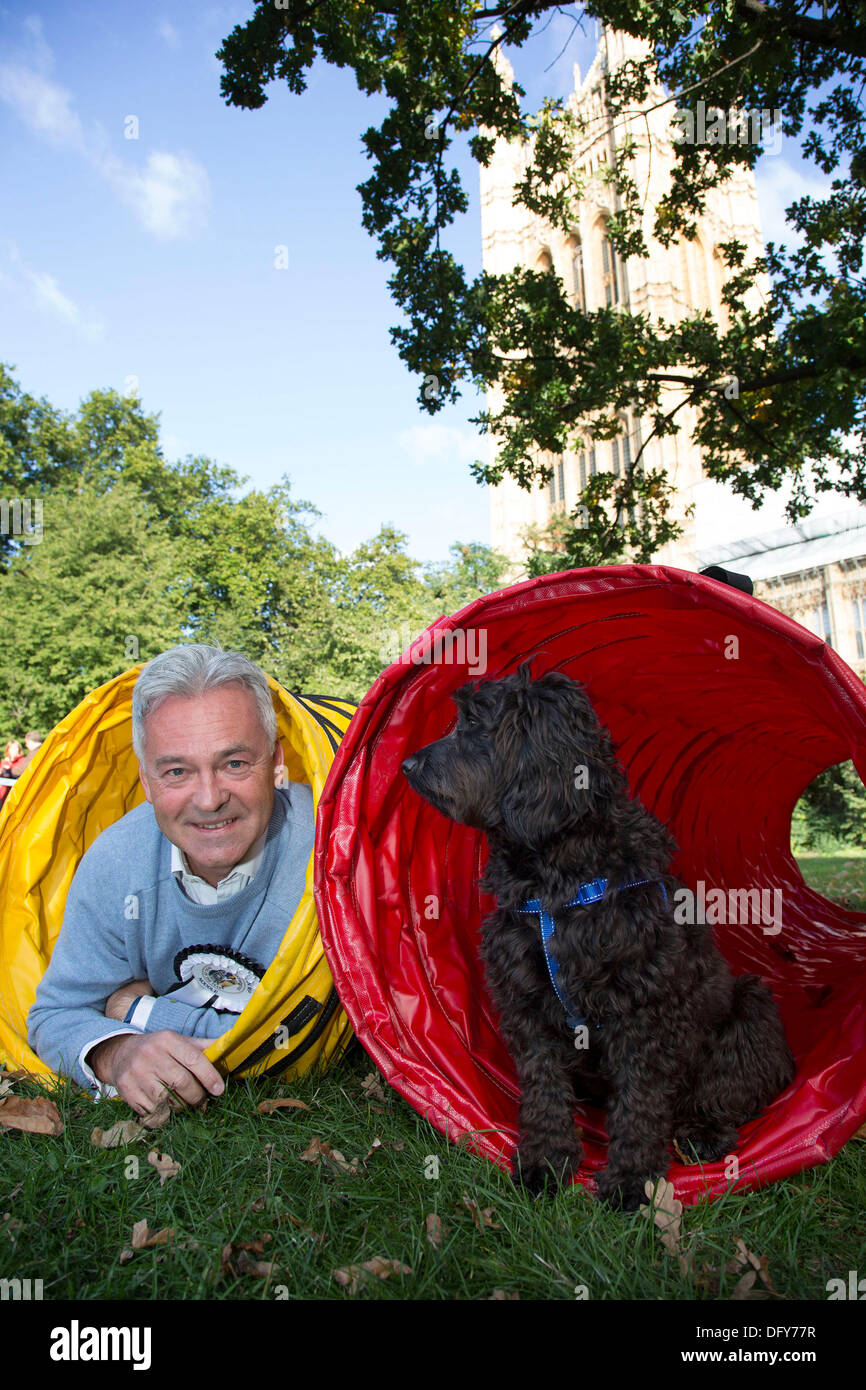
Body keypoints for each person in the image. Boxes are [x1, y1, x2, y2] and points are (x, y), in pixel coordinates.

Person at [27, 645, 314, 1116]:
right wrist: (117, 1052)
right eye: (177, 771)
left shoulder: (336, 842)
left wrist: (138, 1013)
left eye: (234, 764)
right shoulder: (114, 863)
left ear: (277, 760)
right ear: (145, 780)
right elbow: (55, 1014)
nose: (208, 798)